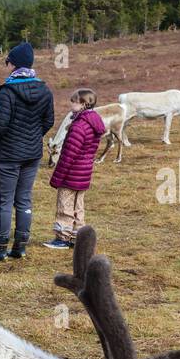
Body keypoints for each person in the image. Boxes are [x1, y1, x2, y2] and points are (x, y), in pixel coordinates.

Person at [0, 42, 55, 261]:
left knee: (4, 202)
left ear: (13, 64)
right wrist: (32, 137)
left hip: (7, 155)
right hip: (32, 154)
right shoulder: (44, 89)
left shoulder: (8, 91)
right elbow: (48, 121)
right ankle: (20, 247)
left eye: (9, 62)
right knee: (24, 200)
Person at [45, 88, 106, 249]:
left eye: (74, 101)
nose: (71, 103)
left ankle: (62, 238)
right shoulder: (93, 123)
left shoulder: (79, 126)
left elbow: (68, 155)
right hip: (84, 173)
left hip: (72, 173)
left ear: (84, 104)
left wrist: (57, 177)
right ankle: (77, 238)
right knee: (78, 207)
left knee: (65, 205)